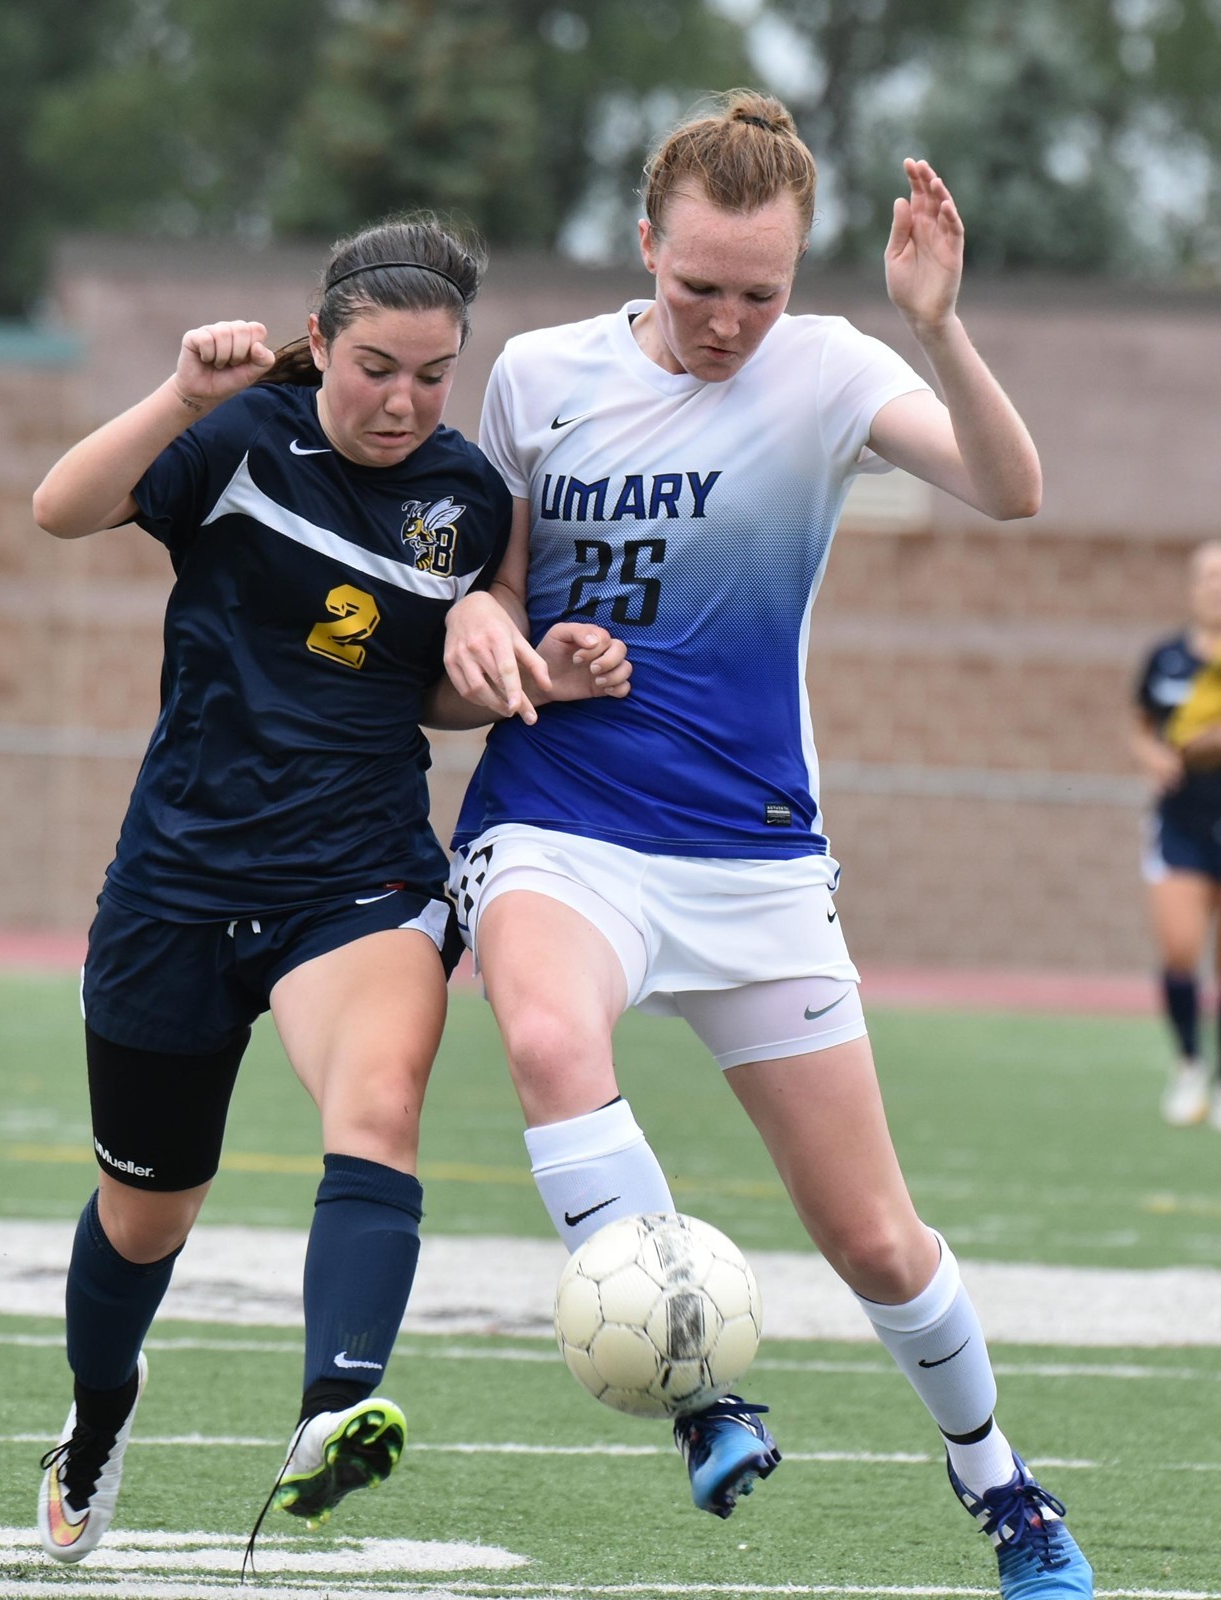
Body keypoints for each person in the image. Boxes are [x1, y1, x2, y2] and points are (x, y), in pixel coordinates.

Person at [441, 90, 1093, 1599]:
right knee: (545, 1038)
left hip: (753, 860)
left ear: (799, 282)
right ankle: (703, 1390)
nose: (729, 319)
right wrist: (525, 648)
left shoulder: (831, 373)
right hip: (565, 821)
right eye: (699, 287)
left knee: (874, 1240)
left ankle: (1003, 1490)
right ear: (645, 247)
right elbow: (492, 595)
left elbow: (1012, 491)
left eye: (762, 291)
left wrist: (937, 324)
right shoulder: (541, 378)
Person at [29, 214, 630, 1567]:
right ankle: (100, 1411)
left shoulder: (470, 497)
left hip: (355, 874)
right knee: (148, 1210)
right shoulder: (238, 440)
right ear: (320, 343)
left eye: (432, 374)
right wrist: (186, 390)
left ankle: (336, 1409)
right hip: (177, 880)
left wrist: (523, 675)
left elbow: (419, 678)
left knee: (379, 1103)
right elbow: (60, 508)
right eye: (375, 368)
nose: (404, 401)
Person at [1132, 538, 1221, 1128]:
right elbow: (1140, 726)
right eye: (1206, 576)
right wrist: (1152, 756)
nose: (1215, 586)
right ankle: (1189, 1065)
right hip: (1180, 826)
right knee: (1182, 950)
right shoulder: (1165, 657)